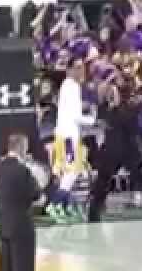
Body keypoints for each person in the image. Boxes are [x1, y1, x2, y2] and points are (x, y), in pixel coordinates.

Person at [88, 81, 142, 222]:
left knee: (138, 177)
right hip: (116, 151)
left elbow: (134, 130)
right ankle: (94, 209)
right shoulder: (110, 110)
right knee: (105, 180)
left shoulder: (119, 110)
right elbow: (134, 130)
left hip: (122, 151)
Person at [49, 59, 94, 221]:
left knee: (68, 173)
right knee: (71, 172)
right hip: (69, 136)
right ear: (69, 70)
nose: (81, 71)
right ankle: (55, 205)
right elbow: (76, 117)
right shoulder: (72, 87)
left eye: (82, 68)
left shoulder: (67, 87)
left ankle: (65, 206)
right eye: (77, 68)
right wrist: (93, 120)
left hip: (66, 134)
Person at [0, 133, 42, 271]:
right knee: (22, 265)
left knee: (5, 265)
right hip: (21, 225)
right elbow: (36, 193)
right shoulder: (23, 170)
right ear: (22, 148)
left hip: (4, 224)